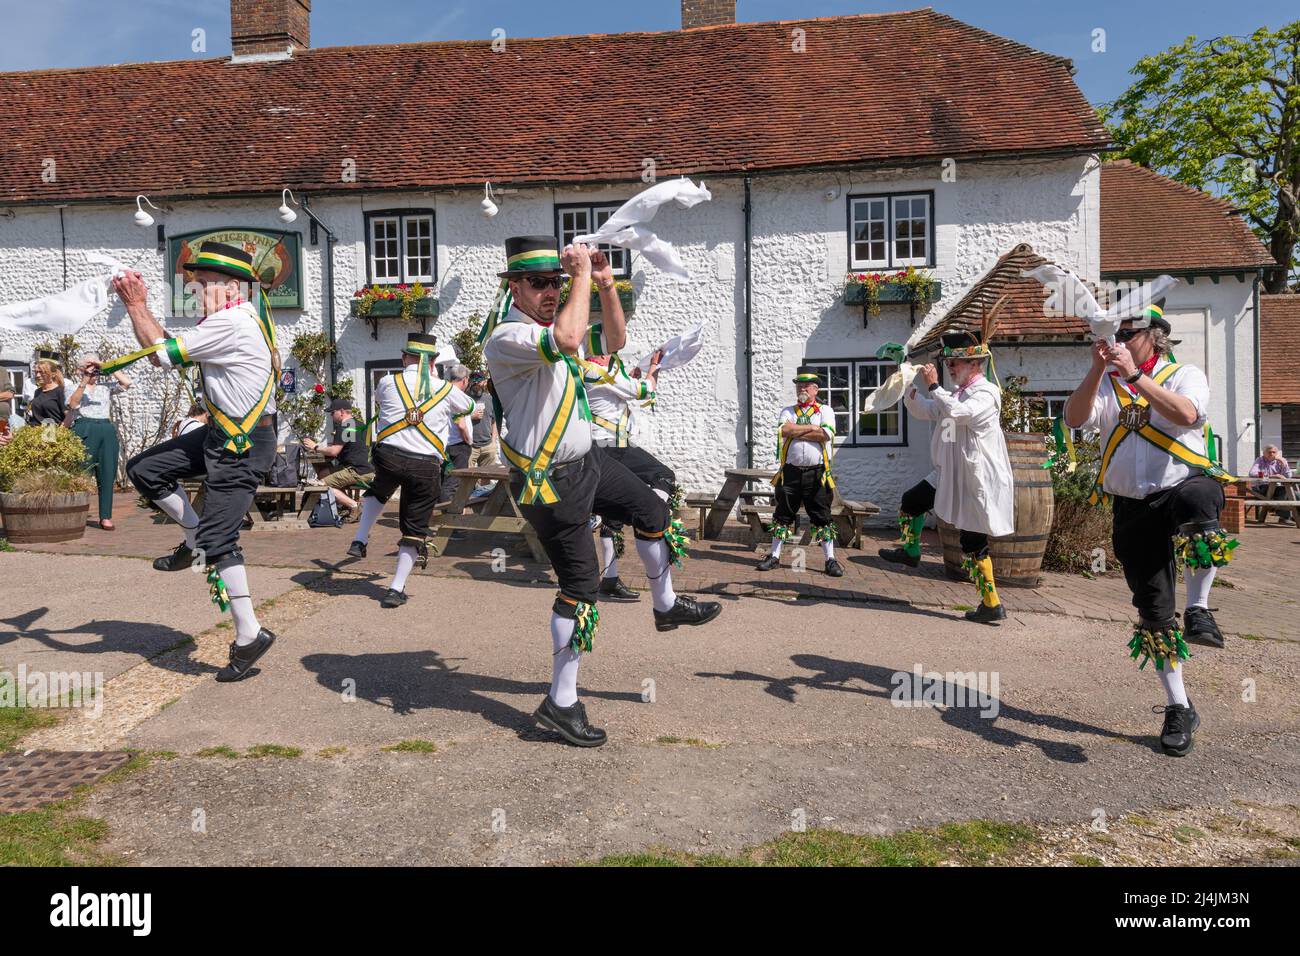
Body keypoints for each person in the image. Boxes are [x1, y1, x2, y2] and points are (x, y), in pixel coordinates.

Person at [482, 235, 721, 748]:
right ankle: (560, 703)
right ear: (515, 288)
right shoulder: (508, 337)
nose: (551, 291)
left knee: (653, 507)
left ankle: (666, 606)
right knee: (581, 588)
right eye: (540, 283)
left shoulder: (552, 327)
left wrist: (605, 281)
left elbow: (612, 342)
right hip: (551, 482)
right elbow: (570, 340)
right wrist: (580, 278)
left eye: (556, 282)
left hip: (587, 461)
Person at [1063, 299, 1235, 757]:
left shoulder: (1185, 374)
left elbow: (1186, 415)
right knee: (1154, 613)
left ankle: (1200, 609)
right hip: (1131, 506)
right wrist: (1098, 371)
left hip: (1181, 488)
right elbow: (1074, 419)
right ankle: (1179, 706)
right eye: (1111, 337)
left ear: (1154, 336)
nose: (1117, 344)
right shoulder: (1106, 385)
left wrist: (1136, 378)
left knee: (1200, 499)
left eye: (1127, 336)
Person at [106, 241, 281, 683]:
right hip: (222, 432)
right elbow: (166, 345)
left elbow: (161, 354)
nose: (196, 290)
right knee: (145, 470)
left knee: (220, 541)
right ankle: (192, 539)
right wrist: (140, 315)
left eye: (204, 283)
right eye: (196, 282)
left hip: (241, 443)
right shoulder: (229, 321)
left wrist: (136, 305)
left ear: (231, 287)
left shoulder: (233, 322)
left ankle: (249, 635)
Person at [878, 333, 1015, 624]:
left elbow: (959, 413)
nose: (950, 366)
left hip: (975, 477)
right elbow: (923, 409)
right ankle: (911, 550)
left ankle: (992, 603)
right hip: (948, 471)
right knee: (911, 501)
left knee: (973, 541)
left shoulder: (986, 394)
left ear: (975, 363)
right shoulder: (954, 393)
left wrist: (935, 385)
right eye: (949, 362)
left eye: (956, 362)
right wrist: (905, 375)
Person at [346, 333, 474, 608]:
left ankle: (359, 539)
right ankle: (395, 588)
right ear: (433, 362)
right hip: (424, 465)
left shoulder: (387, 381)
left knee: (380, 488)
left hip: (388, 456)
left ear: (405, 357)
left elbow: (383, 402)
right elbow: (469, 407)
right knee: (415, 526)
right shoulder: (447, 389)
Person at [582, 348, 674, 601]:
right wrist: (655, 367)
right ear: (599, 354)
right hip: (611, 447)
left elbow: (625, 392)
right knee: (664, 475)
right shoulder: (600, 372)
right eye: (610, 352)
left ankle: (610, 580)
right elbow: (646, 390)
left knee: (612, 516)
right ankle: (653, 518)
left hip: (604, 446)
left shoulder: (590, 371)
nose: (614, 357)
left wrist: (632, 378)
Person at [756, 368, 844, 577]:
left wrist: (799, 430)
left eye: (806, 386)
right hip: (790, 472)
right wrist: (812, 429)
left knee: (822, 516)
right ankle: (774, 556)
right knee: (782, 514)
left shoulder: (826, 410)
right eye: (799, 385)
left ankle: (830, 560)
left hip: (817, 473)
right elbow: (784, 431)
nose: (802, 389)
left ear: (815, 389)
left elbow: (825, 435)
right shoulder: (788, 410)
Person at [65, 355, 131, 530]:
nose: (93, 372)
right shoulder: (73, 386)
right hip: (84, 427)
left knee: (107, 472)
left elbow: (126, 383)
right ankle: (75, 513)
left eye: (95, 369)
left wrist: (106, 366)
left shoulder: (105, 387)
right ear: (80, 370)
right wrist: (85, 379)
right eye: (88, 367)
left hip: (105, 428)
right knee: (80, 473)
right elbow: (72, 404)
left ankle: (106, 516)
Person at [303, 398, 372, 518]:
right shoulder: (359, 425)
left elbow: (334, 452)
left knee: (321, 485)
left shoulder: (344, 426)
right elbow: (351, 446)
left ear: (341, 411)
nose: (331, 415)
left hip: (355, 470)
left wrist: (315, 446)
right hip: (366, 469)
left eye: (332, 412)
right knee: (324, 473)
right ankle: (346, 506)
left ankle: (354, 505)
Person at [438, 363, 475, 507]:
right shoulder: (457, 396)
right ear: (465, 380)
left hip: (445, 446)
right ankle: (449, 521)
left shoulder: (443, 393)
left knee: (444, 481)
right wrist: (467, 439)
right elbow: (460, 423)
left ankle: (439, 517)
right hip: (458, 447)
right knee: (453, 484)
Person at [1248, 445, 1294, 525]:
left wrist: (1285, 464)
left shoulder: (1280, 461)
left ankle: (1291, 516)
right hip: (1261, 487)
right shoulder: (1260, 460)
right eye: (1269, 452)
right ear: (1264, 453)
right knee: (1285, 491)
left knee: (1296, 495)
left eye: (1274, 452)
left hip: (1277, 488)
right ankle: (1284, 517)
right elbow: (1252, 473)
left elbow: (1288, 476)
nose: (1271, 454)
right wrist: (1271, 476)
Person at [25, 359, 66, 427]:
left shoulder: (60, 391)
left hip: (52, 433)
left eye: (42, 372)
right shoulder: (37, 392)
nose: (38, 375)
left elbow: (68, 416)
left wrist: (60, 432)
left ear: (53, 374)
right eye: (36, 372)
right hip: (36, 432)